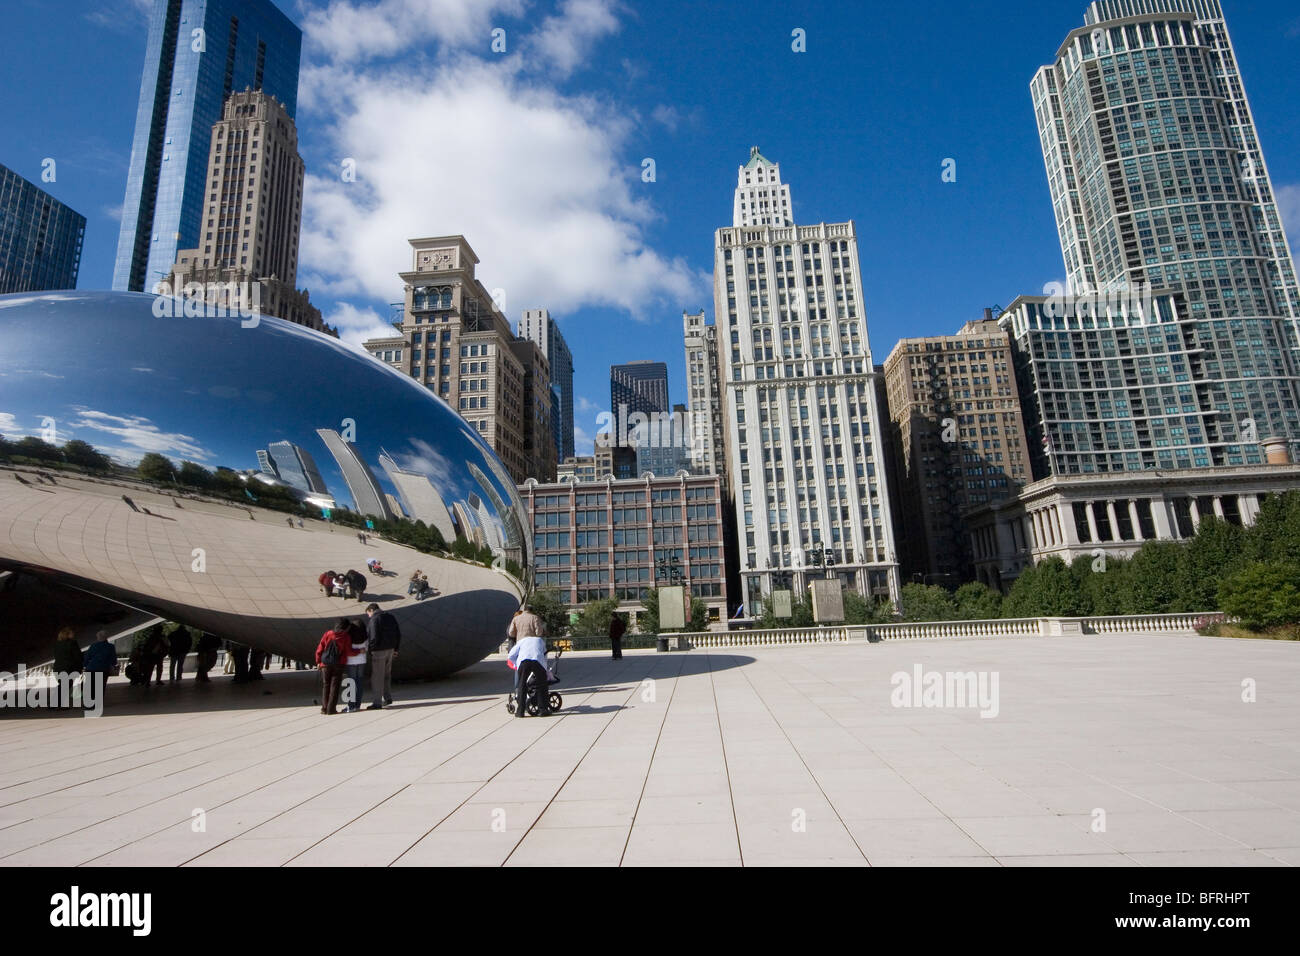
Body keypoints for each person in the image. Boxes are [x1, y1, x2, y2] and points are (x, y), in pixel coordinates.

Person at [507, 606, 549, 718]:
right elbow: (539, 633)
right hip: (536, 654)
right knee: (541, 683)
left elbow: (511, 633)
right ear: (532, 610)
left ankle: (520, 711)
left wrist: (515, 664)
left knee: (522, 684)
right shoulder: (535, 618)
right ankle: (542, 709)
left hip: (522, 652)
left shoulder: (516, 619)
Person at [364, 603, 400, 709]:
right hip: (391, 649)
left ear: (371, 610)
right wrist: (396, 648)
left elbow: (373, 636)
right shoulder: (390, 617)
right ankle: (387, 697)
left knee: (377, 677)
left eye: (368, 614)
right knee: (387, 675)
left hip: (379, 651)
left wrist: (371, 650)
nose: (369, 616)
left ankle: (377, 702)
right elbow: (398, 633)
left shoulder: (375, 619)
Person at [315, 620, 353, 715]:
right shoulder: (346, 636)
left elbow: (320, 648)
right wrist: (359, 651)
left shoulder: (328, 634)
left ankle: (324, 708)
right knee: (334, 687)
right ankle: (331, 709)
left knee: (326, 686)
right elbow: (348, 651)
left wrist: (318, 661)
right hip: (338, 664)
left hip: (325, 664)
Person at [82, 631, 118, 696]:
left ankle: (89, 704)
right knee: (100, 687)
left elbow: (87, 657)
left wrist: (84, 665)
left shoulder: (93, 646)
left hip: (91, 669)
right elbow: (113, 660)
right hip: (103, 669)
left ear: (98, 637)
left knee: (90, 687)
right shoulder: (110, 647)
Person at [342, 620, 367, 712]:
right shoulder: (365, 636)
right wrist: (361, 651)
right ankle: (357, 705)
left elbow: (348, 651)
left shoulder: (349, 637)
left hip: (351, 661)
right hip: (362, 660)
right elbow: (366, 648)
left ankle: (351, 705)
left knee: (351, 682)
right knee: (359, 682)